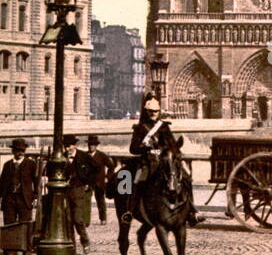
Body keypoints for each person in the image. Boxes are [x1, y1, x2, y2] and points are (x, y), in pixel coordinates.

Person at [128, 92, 201, 224]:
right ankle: (130, 210)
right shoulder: (140, 128)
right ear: (146, 111)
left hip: (164, 160)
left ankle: (191, 210)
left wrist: (177, 154)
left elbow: (172, 144)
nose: (153, 114)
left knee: (186, 178)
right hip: (148, 162)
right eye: (150, 111)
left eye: (155, 111)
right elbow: (132, 149)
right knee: (137, 182)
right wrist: (146, 148)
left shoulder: (163, 126)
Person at [0, 138, 38, 225]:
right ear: (12, 151)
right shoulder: (7, 165)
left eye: (22, 150)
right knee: (9, 225)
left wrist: (35, 197)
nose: (20, 153)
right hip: (9, 200)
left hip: (25, 200)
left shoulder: (31, 164)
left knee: (25, 225)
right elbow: (1, 183)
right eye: (17, 150)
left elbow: (36, 182)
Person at [65, 136, 93, 255]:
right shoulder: (61, 156)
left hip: (78, 190)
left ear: (75, 145)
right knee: (68, 220)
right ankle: (72, 246)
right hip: (64, 192)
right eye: (66, 146)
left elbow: (95, 169)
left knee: (77, 219)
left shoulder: (84, 156)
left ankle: (85, 241)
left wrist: (87, 183)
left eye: (70, 146)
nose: (67, 148)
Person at [86, 135, 115, 224]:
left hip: (99, 182)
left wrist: (107, 177)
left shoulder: (102, 155)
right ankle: (86, 220)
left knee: (100, 200)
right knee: (86, 200)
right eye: (90, 144)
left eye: (93, 145)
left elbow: (111, 166)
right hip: (88, 182)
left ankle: (103, 218)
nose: (91, 146)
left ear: (96, 146)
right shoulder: (85, 155)